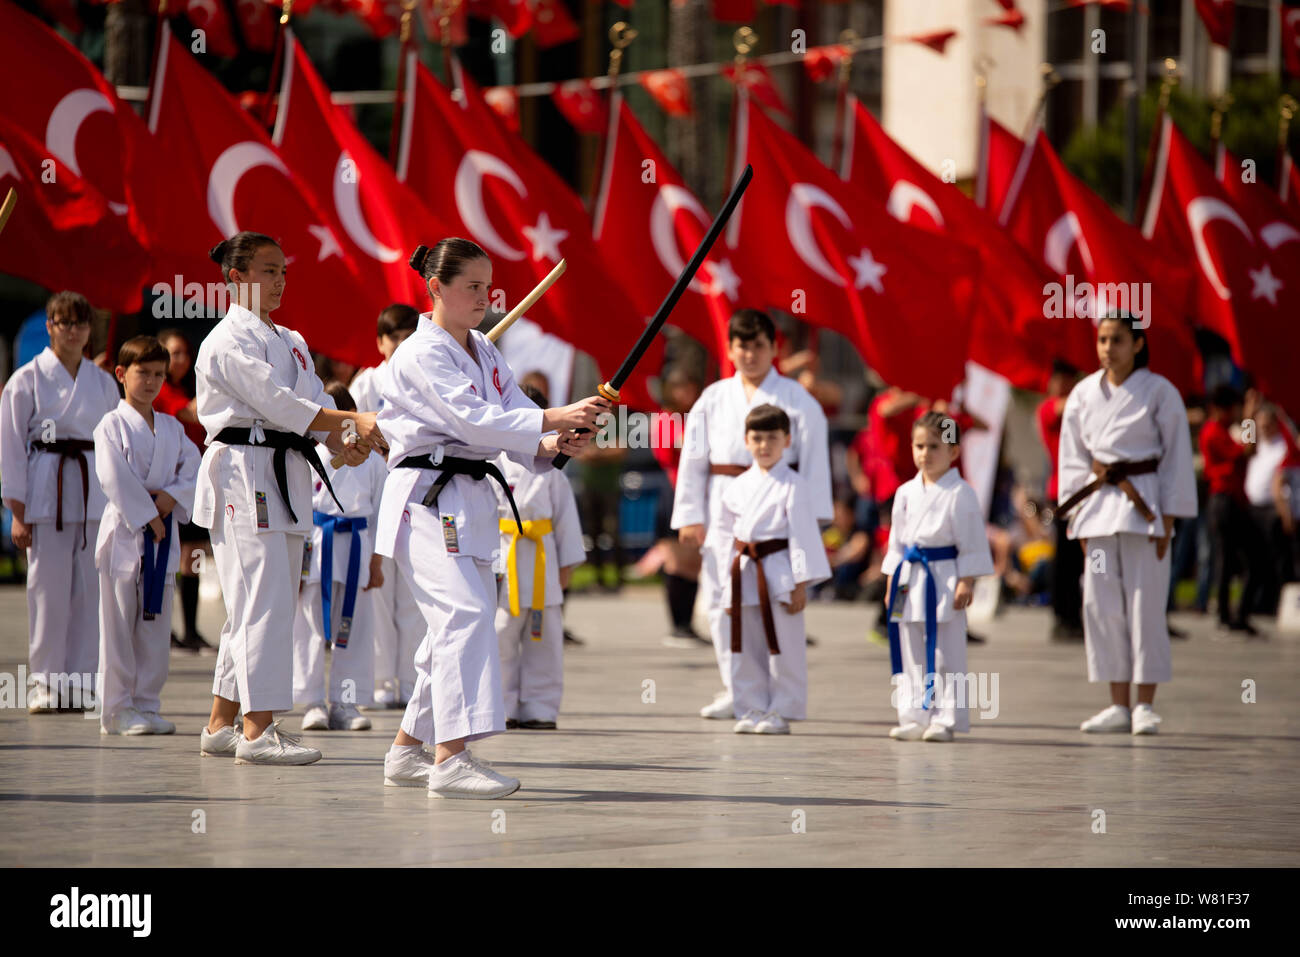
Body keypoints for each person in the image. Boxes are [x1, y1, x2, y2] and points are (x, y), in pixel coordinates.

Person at [375, 238, 605, 799]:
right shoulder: (419, 353)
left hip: (469, 500)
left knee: (454, 624)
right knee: (466, 615)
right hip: (427, 499)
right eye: (471, 286)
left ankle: (408, 748)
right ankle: (451, 757)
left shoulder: (482, 347)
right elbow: (477, 420)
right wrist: (553, 418)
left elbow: (517, 416)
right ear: (435, 287)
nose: (484, 296)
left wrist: (557, 439)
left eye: (487, 285)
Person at [194, 231, 385, 766]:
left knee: (261, 603)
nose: (279, 280)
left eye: (283, 271)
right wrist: (348, 420)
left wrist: (346, 442)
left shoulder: (293, 340)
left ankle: (220, 724)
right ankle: (259, 729)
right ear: (235, 277)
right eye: (266, 270)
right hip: (243, 473)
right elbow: (277, 403)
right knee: (263, 601)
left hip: (286, 472)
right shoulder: (225, 341)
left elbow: (314, 401)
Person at [672, 310, 832, 721]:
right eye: (742, 345)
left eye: (759, 345)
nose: (750, 354)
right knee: (722, 599)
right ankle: (737, 688)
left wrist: (811, 523)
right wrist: (689, 513)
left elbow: (814, 465)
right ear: (729, 349)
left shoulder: (798, 400)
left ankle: (777, 694)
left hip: (780, 504)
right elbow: (693, 459)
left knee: (774, 603)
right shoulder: (713, 397)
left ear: (774, 348)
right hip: (724, 500)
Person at [1056, 314, 1197, 735]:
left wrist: (1168, 519)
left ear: (1137, 344)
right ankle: (1117, 704)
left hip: (1145, 509)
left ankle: (1145, 704)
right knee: (1101, 606)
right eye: (1101, 340)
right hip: (1097, 512)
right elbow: (1071, 460)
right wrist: (1078, 519)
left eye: (1116, 340)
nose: (1107, 348)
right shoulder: (1082, 394)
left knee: (1145, 607)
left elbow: (1175, 459)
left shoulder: (1160, 392)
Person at [0, 291, 119, 712]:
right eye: (64, 323)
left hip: (94, 496)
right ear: (49, 326)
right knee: (47, 592)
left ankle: (82, 682)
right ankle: (46, 683)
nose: (73, 331)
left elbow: (113, 443)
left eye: (80, 323)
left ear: (89, 330)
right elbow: (12, 446)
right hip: (46, 491)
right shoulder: (26, 379)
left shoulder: (103, 382)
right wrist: (17, 509)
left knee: (89, 593)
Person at [94, 336, 201, 735]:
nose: (153, 381)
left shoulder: (172, 427)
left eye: (160, 374)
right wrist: (148, 515)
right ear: (121, 375)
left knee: (155, 621)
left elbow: (194, 466)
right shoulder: (111, 424)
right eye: (144, 373)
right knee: (119, 623)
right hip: (126, 534)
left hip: (163, 533)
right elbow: (112, 477)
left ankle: (147, 703)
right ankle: (118, 707)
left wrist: (172, 498)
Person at [882, 411, 994, 742]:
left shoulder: (961, 493)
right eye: (919, 446)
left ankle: (946, 718)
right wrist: (890, 584)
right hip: (908, 575)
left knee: (947, 652)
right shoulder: (905, 492)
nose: (925, 454)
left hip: (944, 575)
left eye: (934, 446)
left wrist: (966, 580)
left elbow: (972, 543)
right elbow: (896, 544)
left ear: (954, 452)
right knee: (910, 647)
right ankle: (913, 714)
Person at [719, 404, 830, 734]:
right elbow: (727, 537)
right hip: (744, 572)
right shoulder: (736, 485)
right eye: (757, 438)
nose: (764, 445)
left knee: (784, 646)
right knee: (746, 646)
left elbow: (803, 536)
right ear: (746, 441)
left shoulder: (794, 484)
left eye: (772, 438)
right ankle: (750, 707)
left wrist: (800, 583)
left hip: (780, 572)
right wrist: (727, 583)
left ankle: (782, 710)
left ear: (787, 441)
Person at [292, 382, 387, 732]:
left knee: (354, 629)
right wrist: (299, 562)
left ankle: (345, 703)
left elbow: (381, 515)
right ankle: (313, 702)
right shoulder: (308, 454)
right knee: (310, 627)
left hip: (357, 545)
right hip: (317, 545)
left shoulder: (374, 462)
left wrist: (376, 563)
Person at [492, 383, 586, 731]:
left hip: (542, 558)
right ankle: (502, 705)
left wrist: (566, 567)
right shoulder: (493, 460)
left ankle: (540, 707)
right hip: (504, 559)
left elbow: (566, 523)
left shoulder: (553, 470)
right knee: (501, 634)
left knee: (543, 637)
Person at [348, 305, 424, 708]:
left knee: (411, 596)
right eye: (394, 336)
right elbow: (349, 437)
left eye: (410, 335)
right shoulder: (366, 383)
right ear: (380, 342)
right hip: (374, 501)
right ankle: (381, 681)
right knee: (378, 593)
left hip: (413, 497)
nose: (401, 343)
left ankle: (412, 683)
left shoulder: (425, 379)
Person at [154, 328, 213, 653]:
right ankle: (172, 630)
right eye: (174, 353)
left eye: (184, 353)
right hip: (170, 485)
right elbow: (189, 413)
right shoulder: (162, 389)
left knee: (194, 554)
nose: (181, 359)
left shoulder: (182, 387)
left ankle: (190, 630)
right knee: (178, 557)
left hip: (193, 483)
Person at [1200, 385, 1265, 635]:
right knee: (1232, 559)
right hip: (1224, 501)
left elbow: (1251, 449)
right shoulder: (1213, 431)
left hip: (1233, 501)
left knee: (1234, 560)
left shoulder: (1223, 430)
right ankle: (1230, 615)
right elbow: (1247, 450)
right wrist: (1249, 417)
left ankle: (1233, 614)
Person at [1037, 359, 1083, 640]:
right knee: (1063, 558)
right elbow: (1061, 407)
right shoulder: (1049, 408)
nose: (1064, 385)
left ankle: (1074, 616)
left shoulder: (1079, 409)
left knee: (1077, 559)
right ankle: (1060, 617)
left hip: (1082, 492)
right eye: (1061, 379)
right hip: (1059, 493)